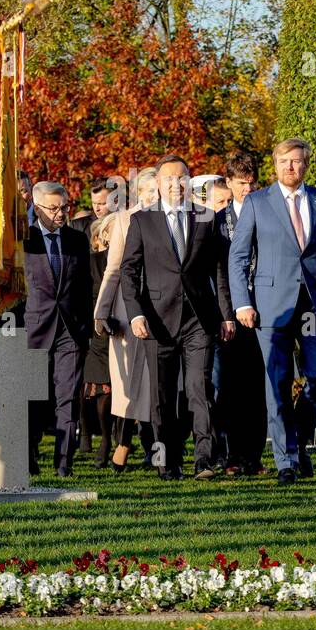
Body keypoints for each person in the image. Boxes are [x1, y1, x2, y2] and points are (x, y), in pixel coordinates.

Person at [228, 138, 316, 485]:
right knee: (277, 382)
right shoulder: (256, 202)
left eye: (297, 161)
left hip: (314, 306)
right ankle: (285, 460)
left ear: (306, 165)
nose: (290, 167)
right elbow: (238, 257)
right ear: (275, 165)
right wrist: (243, 302)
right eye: (284, 161)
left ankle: (295, 440)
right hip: (271, 308)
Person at [121, 154, 234, 480]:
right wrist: (135, 314)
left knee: (200, 390)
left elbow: (219, 270)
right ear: (158, 183)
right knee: (162, 396)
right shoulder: (142, 221)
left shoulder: (206, 218)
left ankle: (204, 461)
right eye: (168, 179)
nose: (175, 184)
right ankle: (166, 462)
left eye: (181, 178)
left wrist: (226, 314)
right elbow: (129, 272)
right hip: (157, 321)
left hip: (199, 319)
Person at [23, 180, 92, 477]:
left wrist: (86, 326)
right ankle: (29, 456)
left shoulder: (78, 240)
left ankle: (64, 462)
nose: (61, 213)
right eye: (54, 208)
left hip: (71, 331)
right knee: (36, 397)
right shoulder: (24, 240)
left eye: (64, 206)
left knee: (68, 397)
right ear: (37, 208)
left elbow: (86, 285)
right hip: (36, 330)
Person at [94, 168, 158, 472]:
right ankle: (123, 443)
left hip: (162, 309)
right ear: (138, 194)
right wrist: (101, 311)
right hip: (126, 312)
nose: (154, 197)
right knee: (127, 385)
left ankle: (155, 451)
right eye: (149, 191)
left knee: (157, 384)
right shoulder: (123, 220)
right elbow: (114, 269)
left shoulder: (169, 219)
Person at [212, 163, 266, 475]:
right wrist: (225, 314)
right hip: (231, 315)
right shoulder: (218, 221)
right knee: (230, 389)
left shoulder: (267, 213)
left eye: (251, 182)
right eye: (241, 183)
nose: (247, 189)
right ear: (229, 182)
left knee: (257, 387)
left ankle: (254, 456)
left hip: (262, 310)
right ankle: (231, 456)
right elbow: (218, 272)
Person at [82, 213, 116, 468]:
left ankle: (123, 439)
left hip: (130, 329)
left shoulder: (134, 259)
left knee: (127, 391)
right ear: (103, 236)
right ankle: (105, 438)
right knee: (103, 389)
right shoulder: (92, 263)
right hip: (99, 332)